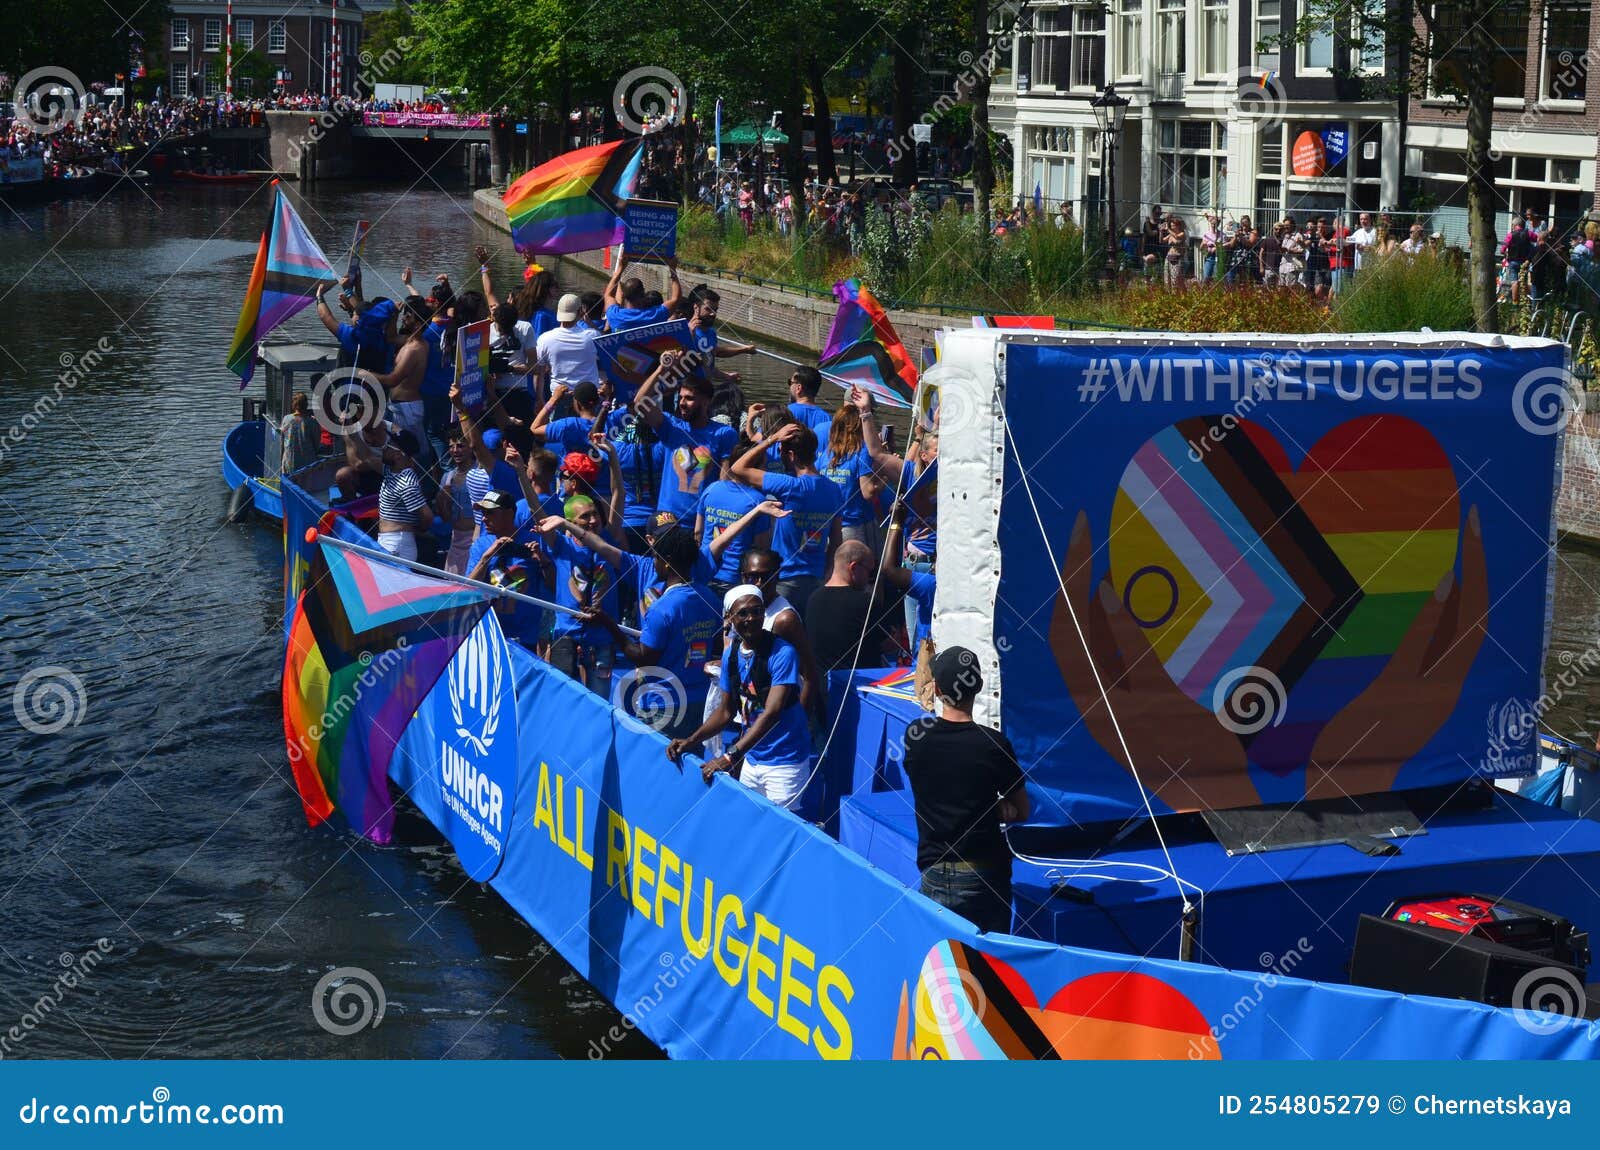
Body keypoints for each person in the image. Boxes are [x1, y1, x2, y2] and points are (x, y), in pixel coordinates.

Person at [902, 647, 1029, 934]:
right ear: (979, 688)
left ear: (936, 690)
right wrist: (993, 807)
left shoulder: (915, 737)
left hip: (934, 869)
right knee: (988, 965)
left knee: (941, 964)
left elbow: (937, 786)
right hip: (983, 873)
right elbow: (1021, 810)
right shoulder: (993, 745)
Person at [667, 586, 813, 810]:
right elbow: (726, 711)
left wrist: (731, 756)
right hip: (752, 760)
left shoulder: (783, 654)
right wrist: (690, 741)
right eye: (743, 613)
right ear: (729, 617)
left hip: (785, 763)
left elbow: (772, 713)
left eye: (757, 611)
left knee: (778, 835)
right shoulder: (731, 655)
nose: (751, 618)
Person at [730, 420, 843, 614]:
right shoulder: (834, 490)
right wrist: (827, 576)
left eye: (781, 451)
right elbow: (836, 541)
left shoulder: (789, 486)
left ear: (791, 455)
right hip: (816, 580)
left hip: (783, 580)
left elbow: (737, 468)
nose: (779, 454)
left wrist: (772, 439)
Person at [633, 353, 740, 523]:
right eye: (680, 397)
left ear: (706, 402)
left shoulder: (724, 434)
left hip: (700, 522)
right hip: (665, 520)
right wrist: (662, 369)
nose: (682, 402)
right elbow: (640, 402)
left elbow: (724, 480)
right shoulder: (671, 426)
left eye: (689, 398)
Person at [466, 490, 549, 649]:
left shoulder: (534, 540)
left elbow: (553, 586)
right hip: (490, 633)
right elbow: (469, 590)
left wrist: (543, 562)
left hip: (526, 635)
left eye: (490, 513)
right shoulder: (481, 546)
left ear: (509, 514)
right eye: (483, 513)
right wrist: (487, 557)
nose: (484, 518)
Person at [805, 540, 902, 673]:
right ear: (854, 567)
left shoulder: (812, 599)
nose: (869, 579)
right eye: (870, 572)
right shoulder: (865, 603)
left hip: (825, 687)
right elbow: (890, 643)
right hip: (859, 685)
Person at [375, 431, 434, 560]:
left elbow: (427, 516)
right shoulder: (391, 472)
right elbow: (364, 458)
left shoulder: (406, 481)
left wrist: (416, 530)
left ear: (398, 455)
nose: (384, 447)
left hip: (397, 544)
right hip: (391, 541)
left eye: (389, 444)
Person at [534, 293, 600, 398]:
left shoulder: (544, 338)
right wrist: (591, 324)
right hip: (588, 397)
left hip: (559, 396)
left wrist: (539, 399)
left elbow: (539, 373)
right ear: (580, 312)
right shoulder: (593, 335)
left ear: (558, 312)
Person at [603, 250, 683, 331]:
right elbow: (676, 299)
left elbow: (608, 295)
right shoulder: (654, 315)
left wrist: (620, 269)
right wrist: (672, 269)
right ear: (643, 294)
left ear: (623, 294)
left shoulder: (614, 315)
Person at [279, 392, 322, 475]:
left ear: (294, 404)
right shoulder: (312, 421)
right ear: (306, 405)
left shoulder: (287, 419)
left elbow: (282, 440)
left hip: (290, 460)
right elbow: (317, 442)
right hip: (308, 461)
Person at [785, 366, 832, 438]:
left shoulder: (785, 412)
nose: (789, 387)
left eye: (790, 383)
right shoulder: (828, 419)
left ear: (798, 388)